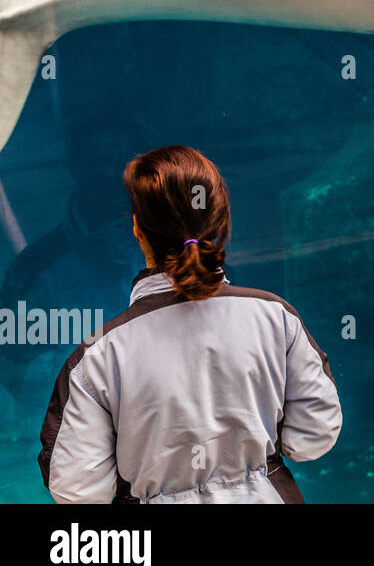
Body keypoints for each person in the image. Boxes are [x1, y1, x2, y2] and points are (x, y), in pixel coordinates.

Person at [37, 145, 341, 503]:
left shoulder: (99, 355)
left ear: (137, 228)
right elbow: (314, 435)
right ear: (221, 221)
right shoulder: (277, 318)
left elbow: (75, 486)